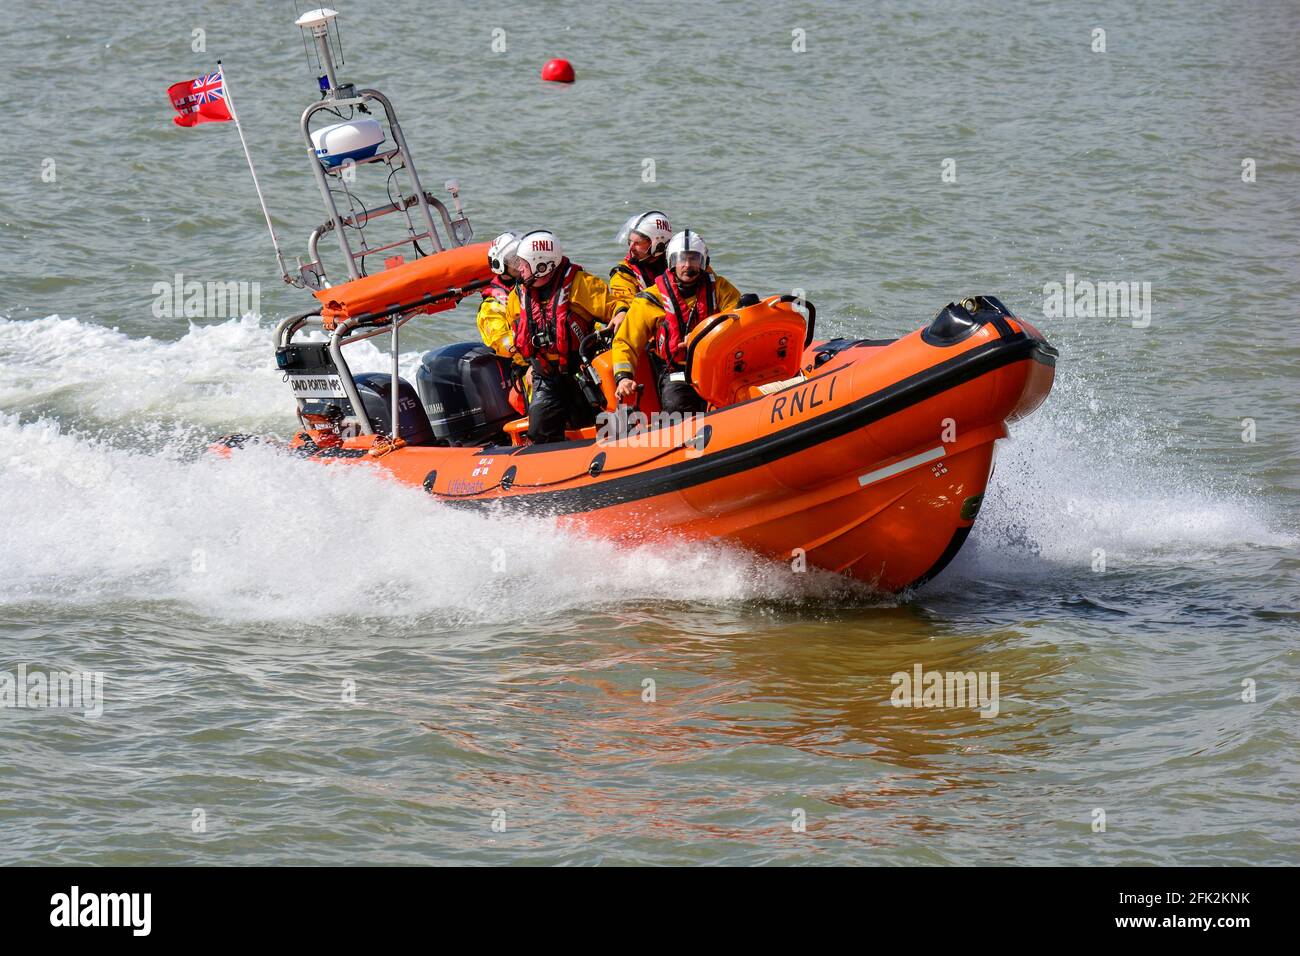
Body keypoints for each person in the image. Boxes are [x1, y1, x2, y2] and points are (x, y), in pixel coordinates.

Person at [610, 229, 741, 413]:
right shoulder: (650, 300)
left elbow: (738, 318)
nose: (687, 265)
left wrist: (703, 339)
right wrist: (623, 377)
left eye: (694, 258)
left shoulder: (720, 288)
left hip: (717, 365)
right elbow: (625, 342)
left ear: (703, 261)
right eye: (682, 259)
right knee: (676, 404)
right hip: (677, 371)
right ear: (671, 262)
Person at [504, 230, 615, 443]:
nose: (519, 269)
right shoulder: (516, 297)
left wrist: (619, 314)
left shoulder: (581, 284)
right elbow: (517, 336)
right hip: (544, 375)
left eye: (524, 264)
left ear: (541, 265)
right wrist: (526, 365)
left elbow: (616, 308)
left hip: (581, 372)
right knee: (540, 429)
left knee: (593, 425)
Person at [608, 211, 672, 329]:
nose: (631, 247)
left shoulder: (682, 264)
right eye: (630, 241)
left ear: (658, 244)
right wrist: (622, 311)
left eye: (638, 243)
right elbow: (623, 298)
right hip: (645, 330)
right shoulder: (623, 272)